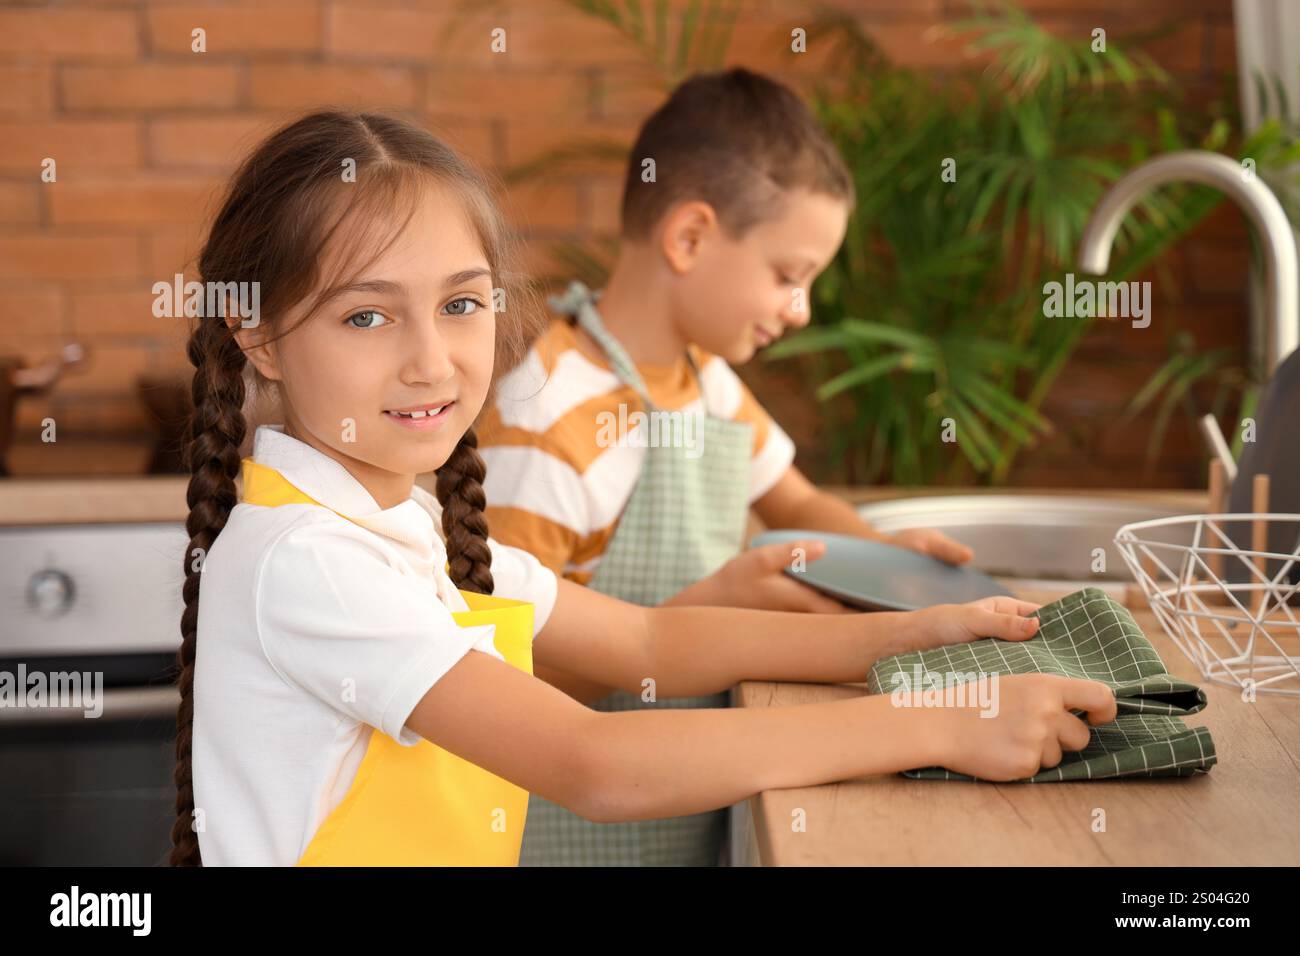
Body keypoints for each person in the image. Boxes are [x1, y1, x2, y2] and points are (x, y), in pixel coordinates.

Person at [172, 109, 1116, 867]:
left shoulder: (400, 523)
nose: (431, 361)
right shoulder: (308, 559)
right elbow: (598, 765)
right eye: (368, 315)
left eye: (461, 304)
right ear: (257, 335)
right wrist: (937, 724)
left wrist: (911, 633)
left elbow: (647, 638)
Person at [476, 68, 975, 865]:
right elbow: (497, 695)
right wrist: (710, 605)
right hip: (560, 837)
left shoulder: (705, 381)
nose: (801, 309)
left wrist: (895, 567)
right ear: (691, 238)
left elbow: (798, 501)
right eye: (789, 275)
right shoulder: (547, 425)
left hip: (679, 820)